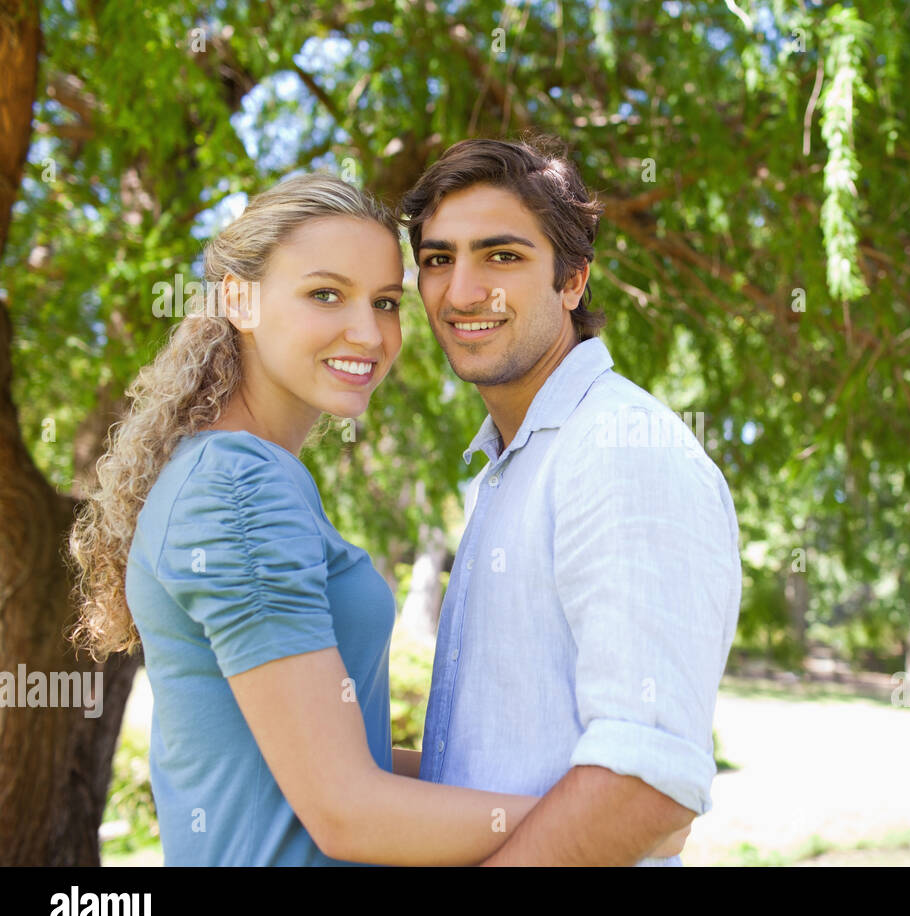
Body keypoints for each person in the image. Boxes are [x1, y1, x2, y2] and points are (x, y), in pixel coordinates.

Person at [66, 172, 686, 866]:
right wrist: (614, 826)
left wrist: (590, 796)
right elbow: (345, 813)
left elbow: (315, 759)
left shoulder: (248, 474)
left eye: (386, 302)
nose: (368, 332)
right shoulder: (238, 488)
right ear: (238, 300)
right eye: (325, 294)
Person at [397, 136, 742, 866]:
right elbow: (488, 764)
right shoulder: (515, 460)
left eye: (502, 256)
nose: (461, 291)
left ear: (573, 281)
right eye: (438, 259)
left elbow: (647, 781)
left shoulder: (620, 451)